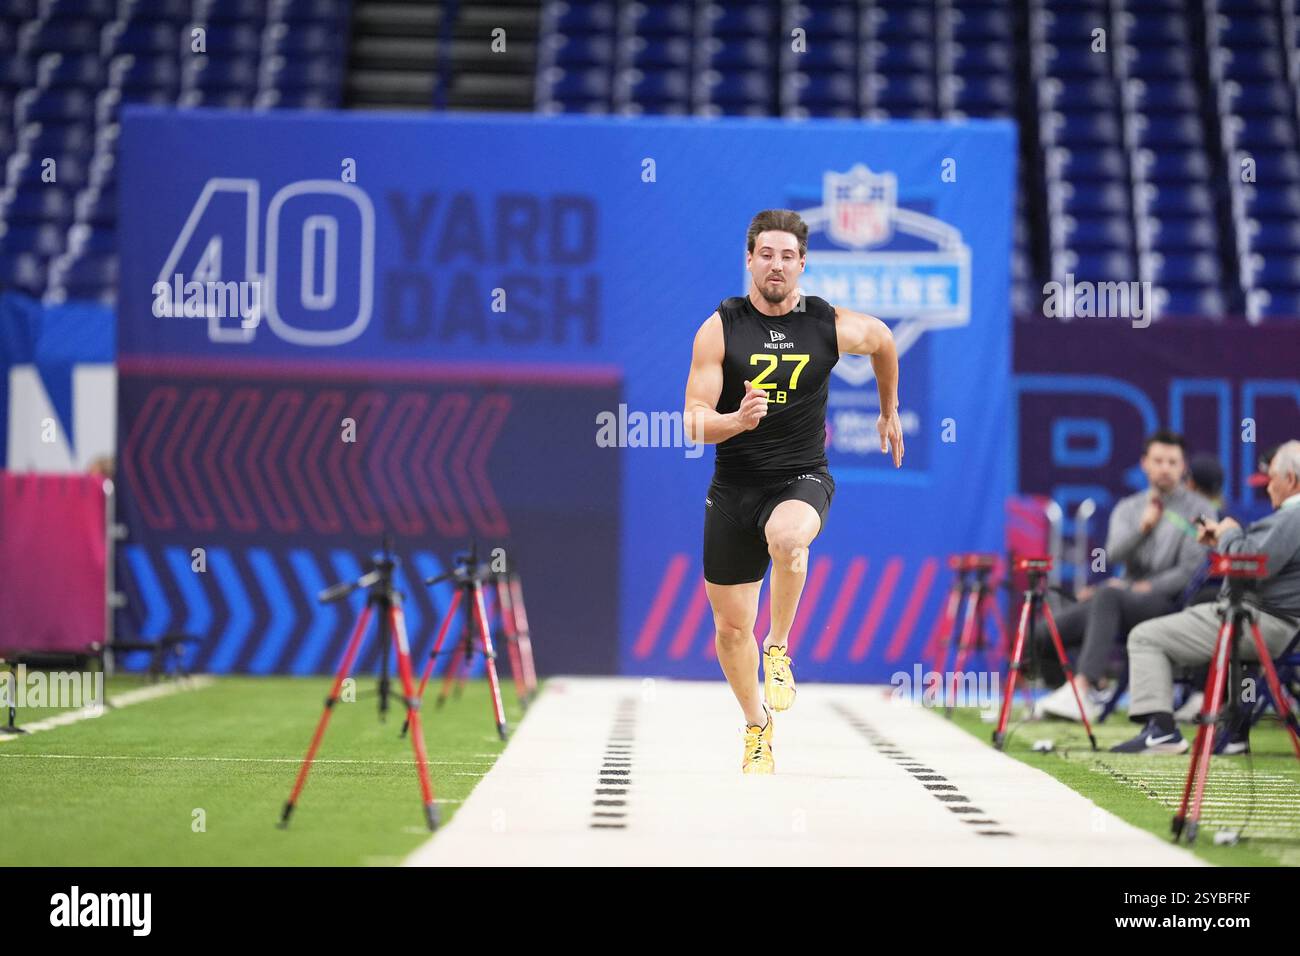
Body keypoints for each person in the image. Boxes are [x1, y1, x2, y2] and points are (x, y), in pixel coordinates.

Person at [682, 209, 903, 774]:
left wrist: (889, 411)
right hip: (733, 488)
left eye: (787, 256)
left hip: (801, 477)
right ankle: (758, 727)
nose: (776, 265)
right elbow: (693, 422)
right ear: (749, 261)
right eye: (766, 255)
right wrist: (737, 420)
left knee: (789, 540)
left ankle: (778, 646)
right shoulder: (719, 328)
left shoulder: (825, 324)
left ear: (802, 264)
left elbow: (882, 340)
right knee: (731, 632)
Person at [1112, 441, 1300, 754]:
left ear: (1291, 481)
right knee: (1244, 661)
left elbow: (1251, 566)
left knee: (1146, 637)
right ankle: (1235, 734)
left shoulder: (1292, 517)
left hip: (1264, 623)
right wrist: (1225, 540)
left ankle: (1161, 732)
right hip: (1283, 626)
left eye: (1272, 479)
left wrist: (1228, 532)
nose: (1268, 488)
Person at [1032, 432, 1215, 722]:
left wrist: (1145, 586)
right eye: (1158, 460)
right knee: (1044, 632)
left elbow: (1190, 570)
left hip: (1169, 603)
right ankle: (1080, 693)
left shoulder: (1201, 509)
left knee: (1108, 594)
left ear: (1183, 467)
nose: (1165, 468)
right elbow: (1113, 554)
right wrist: (1143, 529)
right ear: (1145, 464)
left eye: (1172, 461)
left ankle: (1084, 687)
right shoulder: (1129, 507)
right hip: (1121, 598)